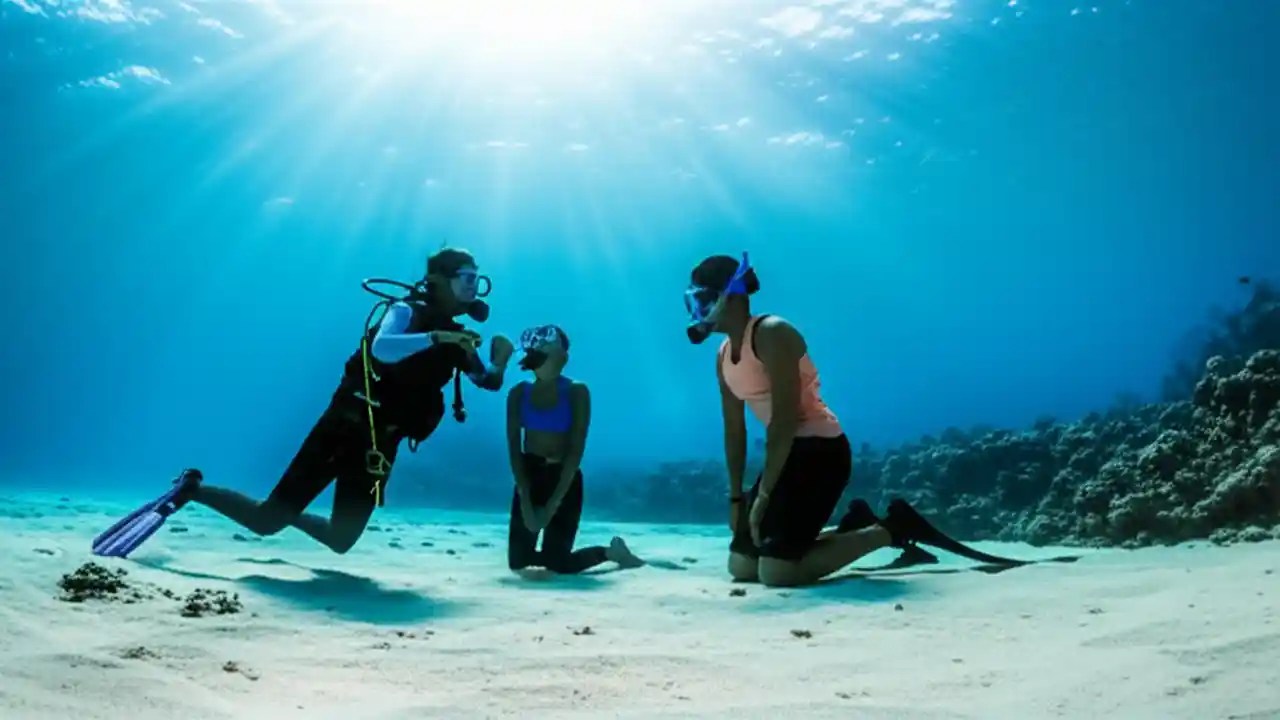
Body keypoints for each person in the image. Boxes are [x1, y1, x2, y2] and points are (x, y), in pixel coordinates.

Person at [92, 248, 514, 558]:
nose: (472, 288)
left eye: (476, 279)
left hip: (380, 446)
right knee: (266, 521)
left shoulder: (457, 338)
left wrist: (500, 358)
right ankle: (193, 489)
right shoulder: (406, 313)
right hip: (346, 423)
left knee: (341, 539)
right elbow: (383, 348)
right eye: (465, 278)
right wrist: (439, 337)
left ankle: (286, 509)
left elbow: (486, 382)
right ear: (439, 281)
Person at [683, 252, 931, 587]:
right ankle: (853, 527)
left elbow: (785, 421)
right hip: (784, 454)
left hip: (820, 451)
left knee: (777, 572)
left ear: (732, 295)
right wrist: (737, 499)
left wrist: (764, 498)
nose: (697, 312)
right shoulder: (723, 355)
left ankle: (890, 529)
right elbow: (734, 431)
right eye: (693, 302)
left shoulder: (772, 333)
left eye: (704, 300)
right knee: (741, 566)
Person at [504, 324, 643, 574]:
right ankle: (550, 552)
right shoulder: (517, 393)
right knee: (518, 562)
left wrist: (550, 507)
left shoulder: (577, 391)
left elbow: (576, 450)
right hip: (530, 475)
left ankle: (611, 553)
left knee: (557, 565)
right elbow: (514, 449)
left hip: (564, 477)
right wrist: (526, 500)